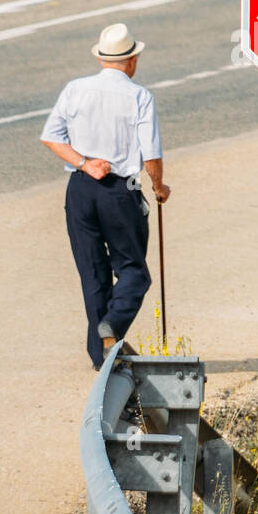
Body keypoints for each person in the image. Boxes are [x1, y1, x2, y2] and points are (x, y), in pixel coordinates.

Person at [40, 21, 170, 368]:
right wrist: (159, 187)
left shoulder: (75, 89)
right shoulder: (139, 95)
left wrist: (84, 163)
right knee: (133, 272)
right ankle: (112, 325)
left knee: (93, 272)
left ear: (101, 60)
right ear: (132, 61)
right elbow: (151, 154)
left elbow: (51, 137)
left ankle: (102, 357)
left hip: (80, 190)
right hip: (120, 190)